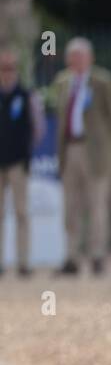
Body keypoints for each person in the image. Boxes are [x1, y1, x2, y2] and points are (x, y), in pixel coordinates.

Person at [51, 37, 111, 276]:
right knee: (70, 207)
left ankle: (97, 256)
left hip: (94, 152)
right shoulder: (62, 82)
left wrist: (106, 148)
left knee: (97, 206)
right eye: (73, 56)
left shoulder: (102, 82)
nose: (76, 61)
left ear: (89, 58)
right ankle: (71, 256)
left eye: (80, 56)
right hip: (70, 149)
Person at [0, 47, 37, 277]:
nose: (7, 72)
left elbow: (37, 128)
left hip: (18, 163)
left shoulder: (26, 96)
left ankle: (23, 263)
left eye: (11, 68)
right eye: (3, 68)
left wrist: (26, 153)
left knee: (22, 213)